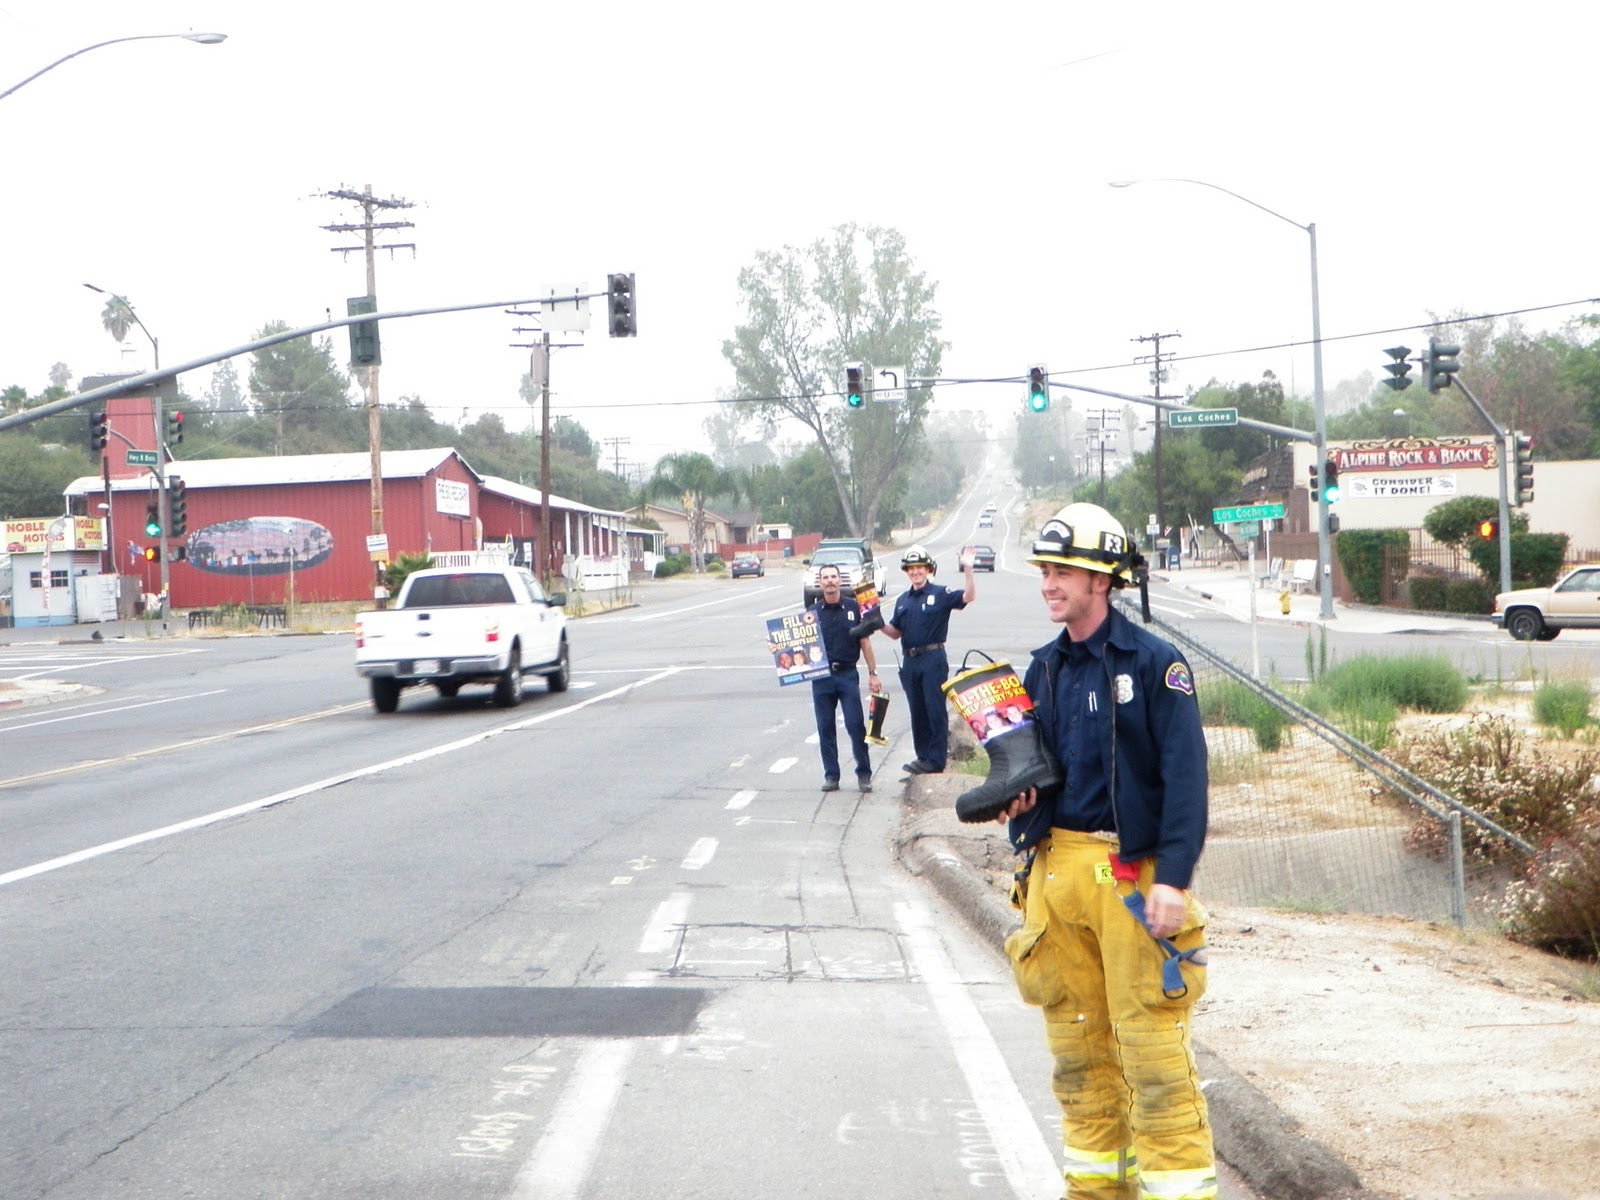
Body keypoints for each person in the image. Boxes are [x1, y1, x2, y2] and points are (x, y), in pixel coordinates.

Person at [994, 501, 1215, 1200]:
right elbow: (1038, 778)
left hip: (1130, 877)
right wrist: (1018, 803)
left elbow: (1186, 778)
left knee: (1152, 1060)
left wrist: (1173, 879)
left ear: (1102, 580)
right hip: (1056, 878)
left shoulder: (1155, 665)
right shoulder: (1043, 671)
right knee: (1079, 1061)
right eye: (1045, 570)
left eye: (1062, 570)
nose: (1048, 583)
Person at [873, 544, 975, 775]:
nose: (915, 572)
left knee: (934, 709)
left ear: (928, 569)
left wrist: (968, 569)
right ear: (906, 571)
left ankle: (936, 760)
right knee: (917, 710)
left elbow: (969, 596)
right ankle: (923, 757)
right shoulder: (902, 600)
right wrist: (876, 623)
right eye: (911, 568)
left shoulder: (940, 594)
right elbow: (895, 632)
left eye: (919, 567)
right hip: (910, 660)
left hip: (933, 658)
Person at [807, 564, 882, 793]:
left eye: (833, 577)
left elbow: (865, 642)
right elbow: (799, 645)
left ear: (840, 581)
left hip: (848, 674)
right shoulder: (813, 612)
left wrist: (872, 673)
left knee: (855, 724)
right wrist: (778, 648)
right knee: (825, 727)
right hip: (821, 678)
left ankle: (864, 774)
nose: (829, 581)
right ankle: (832, 776)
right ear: (819, 583)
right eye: (825, 578)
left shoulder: (854, 607)